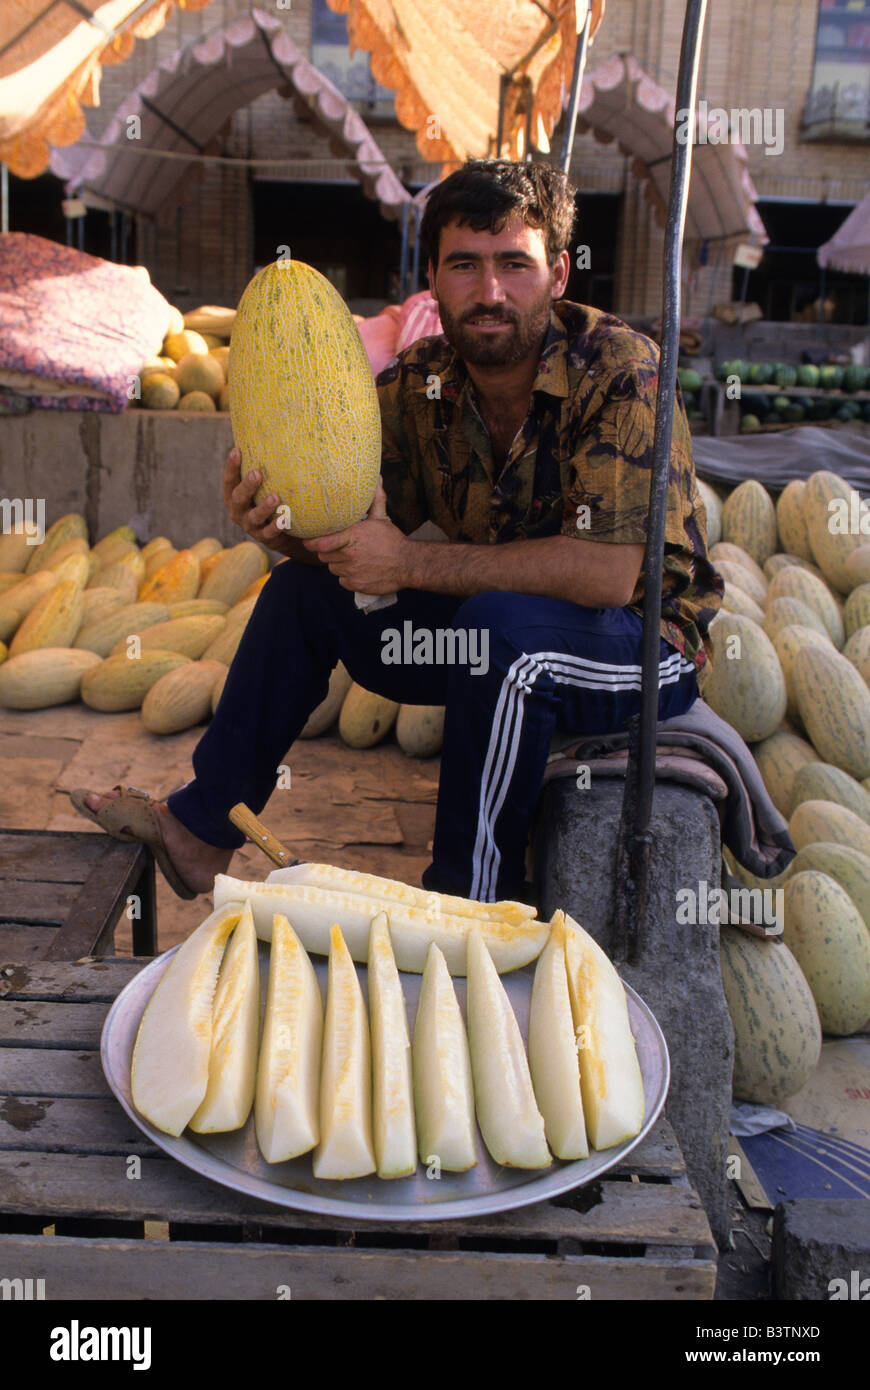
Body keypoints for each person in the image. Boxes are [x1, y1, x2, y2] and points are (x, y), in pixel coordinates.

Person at [73, 159, 723, 904]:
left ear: (559, 276)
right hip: (494, 637)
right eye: (465, 266)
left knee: (501, 635)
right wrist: (276, 527)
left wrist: (410, 563)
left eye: (516, 264)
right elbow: (347, 529)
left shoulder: (622, 371)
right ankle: (199, 831)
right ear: (433, 278)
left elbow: (607, 576)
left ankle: (470, 907)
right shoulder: (423, 384)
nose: (490, 292)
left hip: (641, 644)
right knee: (301, 595)